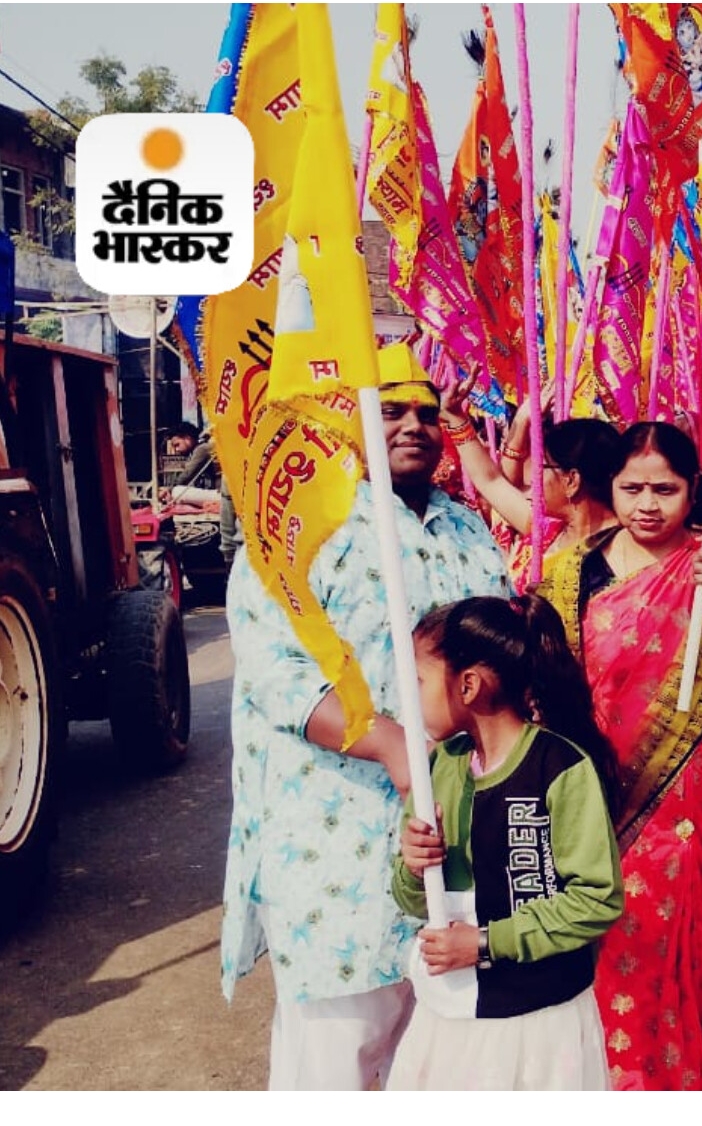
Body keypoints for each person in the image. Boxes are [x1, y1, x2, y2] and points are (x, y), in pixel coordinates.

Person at [220, 346, 514, 1090]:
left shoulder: (464, 526)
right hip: (337, 833)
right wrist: (391, 747)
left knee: (442, 1052)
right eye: (390, 411)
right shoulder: (295, 525)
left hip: (455, 826)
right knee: (339, 1056)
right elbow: (272, 670)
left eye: (424, 413)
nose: (413, 426)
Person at [536, 421, 702, 1090]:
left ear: (694, 490)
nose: (647, 504)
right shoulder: (568, 577)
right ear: (607, 488)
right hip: (598, 797)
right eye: (632, 488)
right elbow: (549, 705)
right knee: (612, 947)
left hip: (698, 799)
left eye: (666, 489)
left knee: (699, 952)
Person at [387, 595, 624, 1090]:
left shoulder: (561, 768)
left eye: (419, 681)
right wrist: (412, 867)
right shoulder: (439, 767)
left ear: (468, 685)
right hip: (452, 1014)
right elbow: (411, 898)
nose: (405, 696)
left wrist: (484, 942)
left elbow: (597, 900)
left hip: (540, 1018)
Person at [439, 382, 619, 586]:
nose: (534, 479)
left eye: (543, 468)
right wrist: (455, 417)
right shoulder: (547, 530)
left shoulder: (623, 550)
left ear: (571, 481)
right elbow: (490, 480)